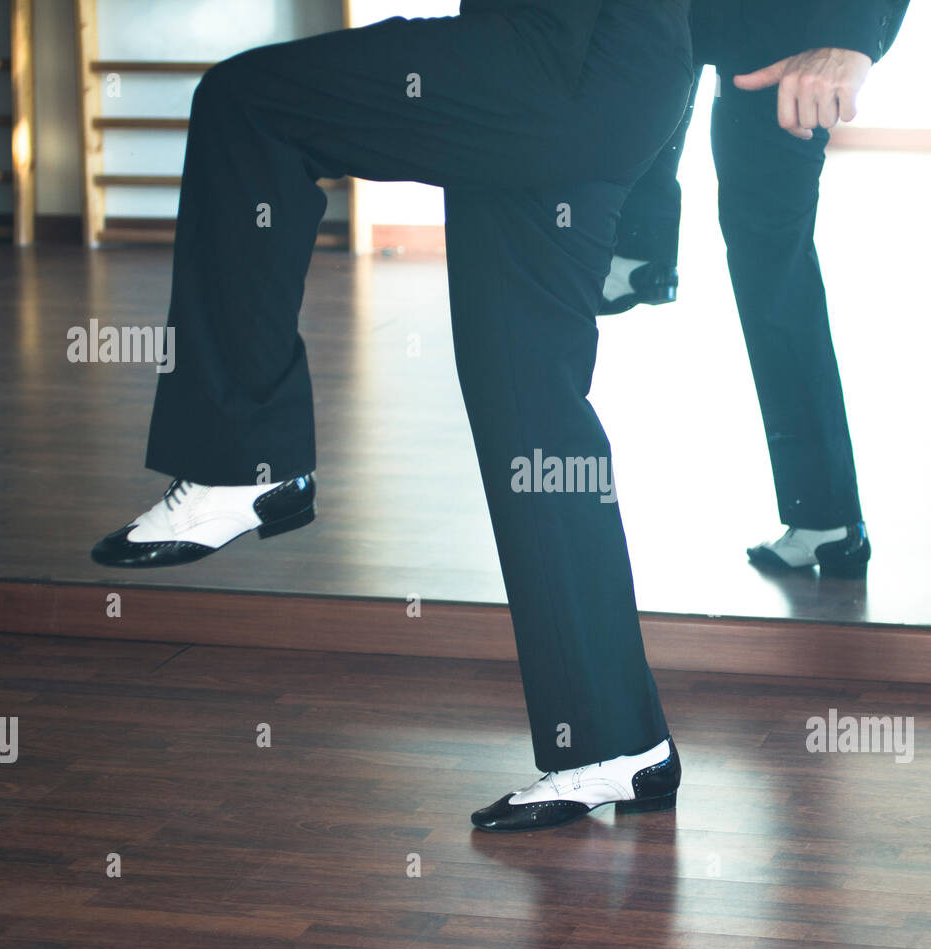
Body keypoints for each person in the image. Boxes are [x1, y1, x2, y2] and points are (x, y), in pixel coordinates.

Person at [90, 0, 694, 832]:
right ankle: (615, 743)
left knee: (246, 101)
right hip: (616, 79)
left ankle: (242, 462)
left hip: (546, 63)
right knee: (527, 402)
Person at [600, 0, 931, 576]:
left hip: (795, 30)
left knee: (768, 249)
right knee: (765, 247)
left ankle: (825, 514)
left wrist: (848, 35)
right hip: (726, 27)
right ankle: (641, 244)